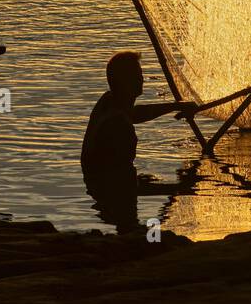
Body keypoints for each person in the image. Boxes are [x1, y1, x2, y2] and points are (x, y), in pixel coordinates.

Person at [80, 51, 196, 230]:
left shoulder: (109, 100)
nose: (142, 80)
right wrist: (178, 188)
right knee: (155, 237)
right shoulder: (118, 127)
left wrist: (177, 106)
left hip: (105, 201)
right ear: (124, 81)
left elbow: (135, 113)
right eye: (137, 75)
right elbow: (126, 187)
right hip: (114, 201)